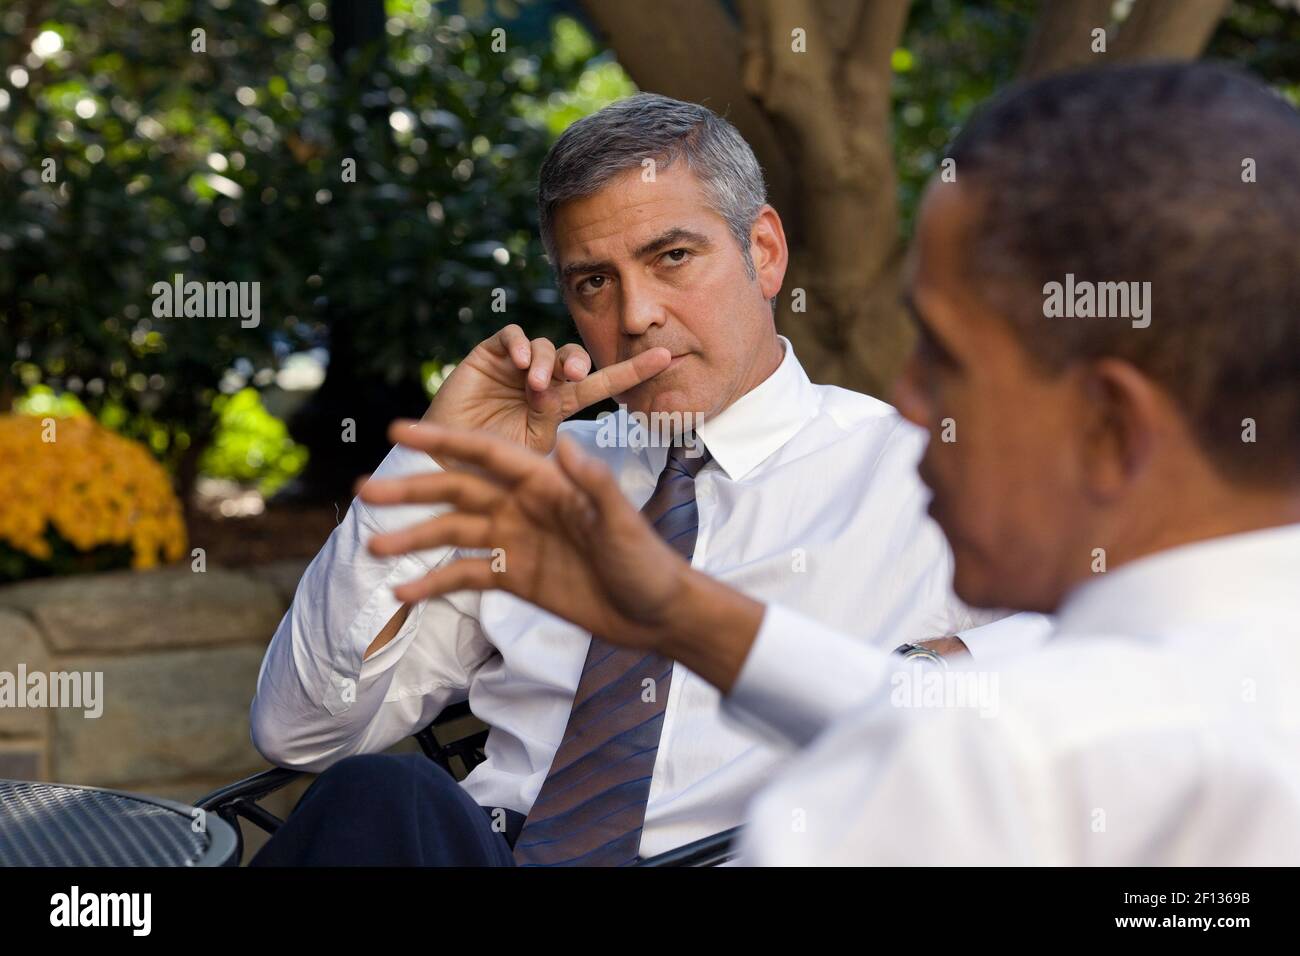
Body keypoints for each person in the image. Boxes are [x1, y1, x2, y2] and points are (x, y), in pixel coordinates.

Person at [358, 62, 1300, 864]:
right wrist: (686, 615)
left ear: (1110, 426)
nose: (912, 402)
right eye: (594, 281)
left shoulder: (984, 775)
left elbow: (980, 754)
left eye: (946, 358)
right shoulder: (1182, 702)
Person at [249, 93, 1043, 866]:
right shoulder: (540, 472)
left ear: (763, 253)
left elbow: (1137, 658)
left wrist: (936, 671)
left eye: (672, 258)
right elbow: (301, 730)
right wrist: (433, 458)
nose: (635, 316)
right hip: (500, 846)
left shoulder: (918, 470)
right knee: (382, 795)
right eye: (594, 281)